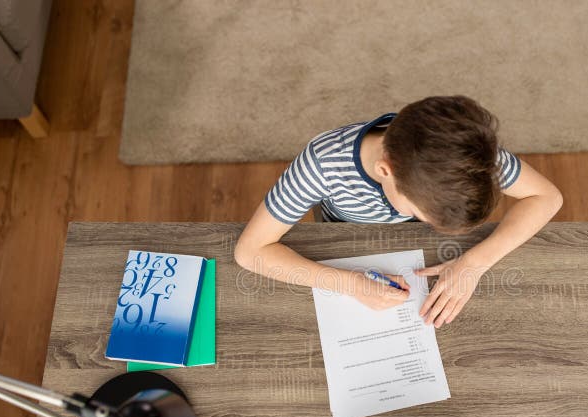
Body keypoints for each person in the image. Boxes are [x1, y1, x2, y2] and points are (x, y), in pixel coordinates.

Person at [235, 95, 562, 327]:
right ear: (385, 170)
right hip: (344, 231)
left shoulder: (464, 153)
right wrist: (350, 284)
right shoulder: (322, 164)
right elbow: (250, 252)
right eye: (421, 213)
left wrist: (474, 263)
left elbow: (547, 197)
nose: (424, 220)